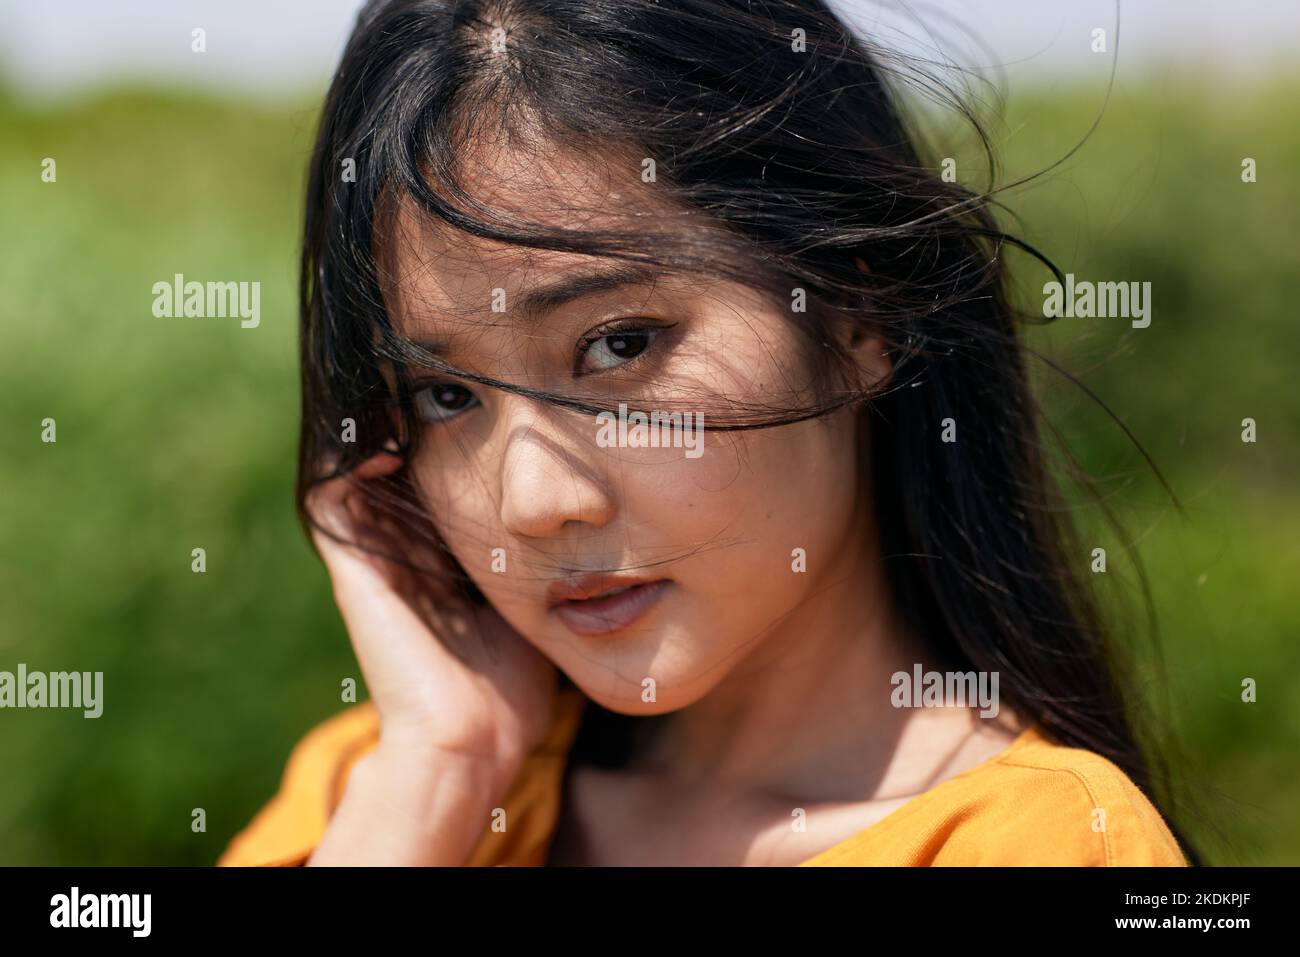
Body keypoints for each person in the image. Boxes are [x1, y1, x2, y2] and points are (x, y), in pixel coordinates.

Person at [218, 0, 1197, 867]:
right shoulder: (377, 787)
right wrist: (436, 780)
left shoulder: (1035, 847)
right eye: (445, 397)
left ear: (856, 316)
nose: (536, 505)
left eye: (618, 344)